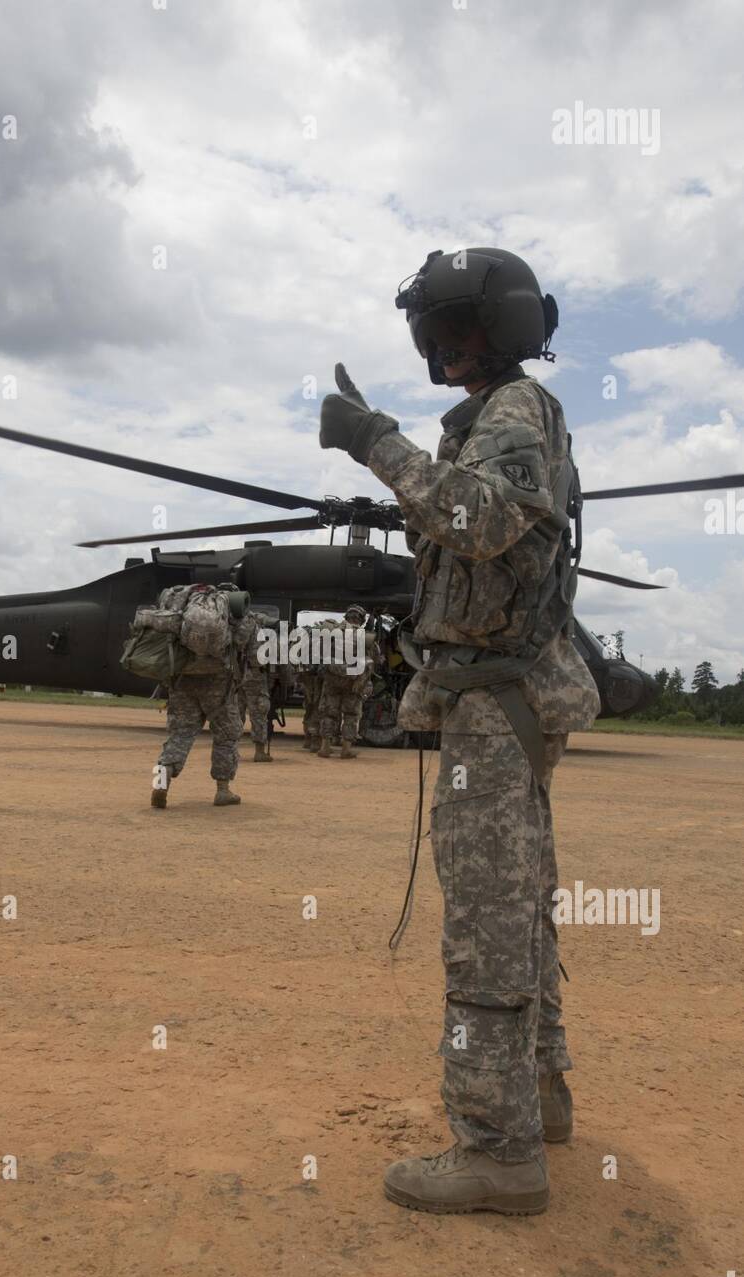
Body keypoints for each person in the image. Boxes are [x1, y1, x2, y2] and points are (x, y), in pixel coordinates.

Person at [319, 247, 600, 1215]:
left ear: (503, 329)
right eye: (432, 333)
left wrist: (375, 444)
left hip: (493, 704)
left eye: (456, 329)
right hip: (498, 698)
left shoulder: (513, 414)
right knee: (519, 906)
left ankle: (494, 1146)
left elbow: (477, 521)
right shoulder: (497, 420)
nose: (441, 348)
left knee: (484, 922)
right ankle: (542, 1095)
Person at [151, 585, 245, 808]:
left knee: (178, 735)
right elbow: (243, 643)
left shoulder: (184, 609)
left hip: (184, 681)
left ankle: (160, 783)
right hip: (218, 684)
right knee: (227, 734)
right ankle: (223, 791)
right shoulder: (233, 614)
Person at [316, 604, 376, 760]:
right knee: (350, 714)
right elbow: (372, 660)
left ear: (346, 617)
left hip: (332, 680)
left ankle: (325, 747)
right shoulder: (365, 636)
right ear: (361, 620)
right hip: (352, 682)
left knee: (329, 713)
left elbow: (320, 653)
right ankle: (346, 750)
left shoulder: (332, 631)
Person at [238, 609, 276, 762]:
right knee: (259, 713)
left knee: (234, 713)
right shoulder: (256, 628)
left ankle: (230, 749)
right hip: (255, 676)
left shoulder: (231, 626)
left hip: (234, 675)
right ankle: (259, 752)